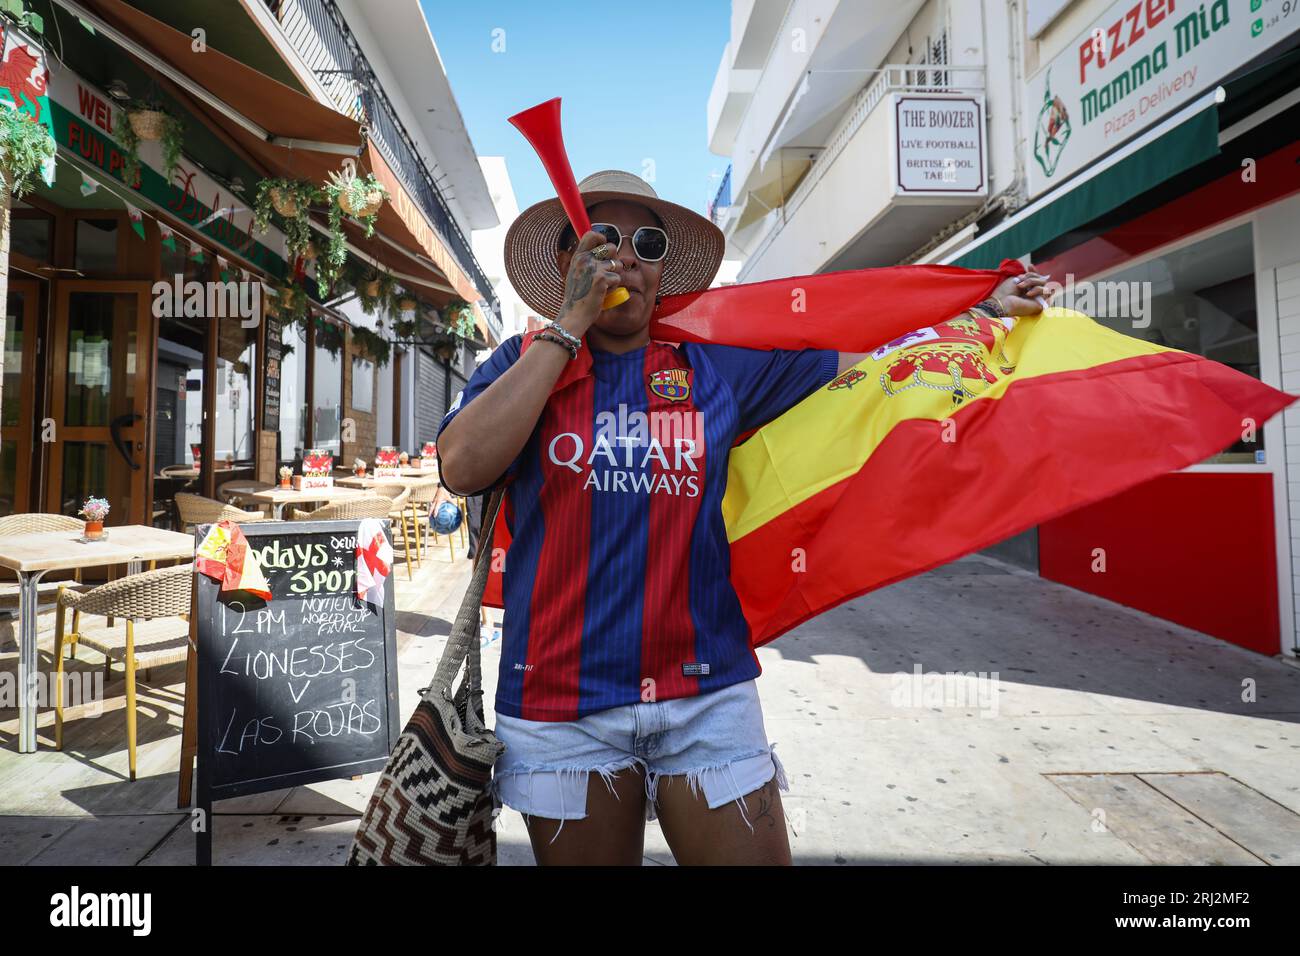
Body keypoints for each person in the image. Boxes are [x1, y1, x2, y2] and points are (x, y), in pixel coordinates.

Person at [436, 170, 1047, 865]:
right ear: (566, 261)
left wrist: (980, 315)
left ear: (663, 270)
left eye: (647, 243)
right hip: (560, 706)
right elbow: (462, 466)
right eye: (601, 238)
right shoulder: (521, 363)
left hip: (707, 698)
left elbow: (877, 366)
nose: (625, 256)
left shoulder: (712, 369)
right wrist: (569, 326)